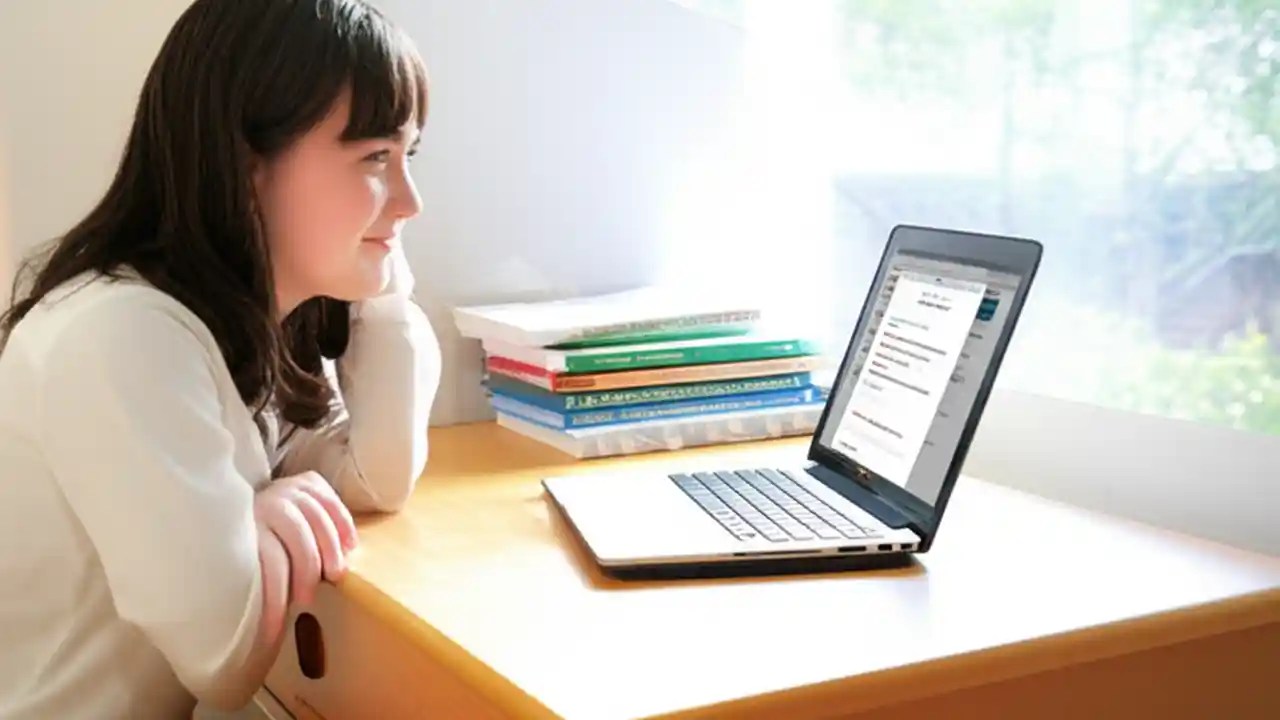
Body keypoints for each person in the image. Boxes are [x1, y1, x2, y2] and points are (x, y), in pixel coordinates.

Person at [0, 0, 441, 716]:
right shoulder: (123, 336)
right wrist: (259, 516)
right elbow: (226, 659)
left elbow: (372, 475)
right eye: (375, 158)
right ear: (246, 164)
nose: (411, 201)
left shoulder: (235, 328)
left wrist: (385, 291)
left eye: (408, 157)